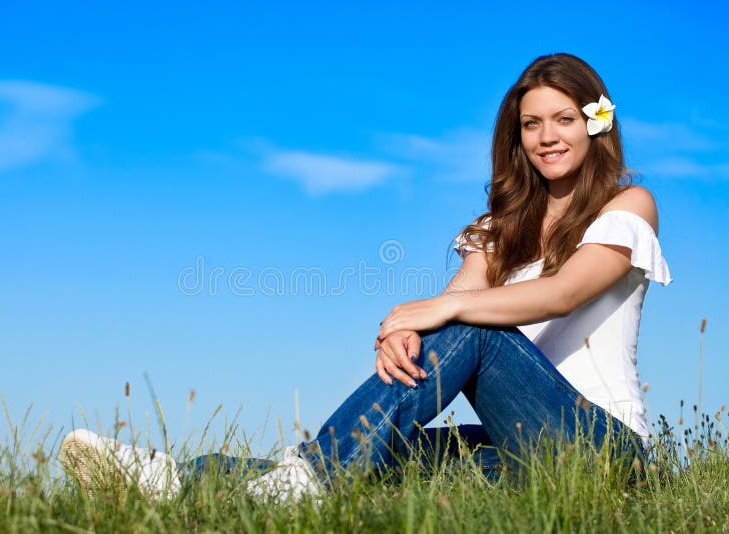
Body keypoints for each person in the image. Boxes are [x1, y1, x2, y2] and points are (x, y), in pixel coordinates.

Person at [59, 53, 672, 502]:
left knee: (472, 326)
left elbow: (564, 292)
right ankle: (177, 480)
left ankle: (292, 483)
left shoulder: (627, 206)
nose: (546, 137)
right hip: (517, 450)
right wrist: (407, 330)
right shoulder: (498, 226)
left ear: (595, 123)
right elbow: (458, 295)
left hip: (605, 451)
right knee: (377, 457)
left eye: (562, 119)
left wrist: (437, 312)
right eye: (531, 124)